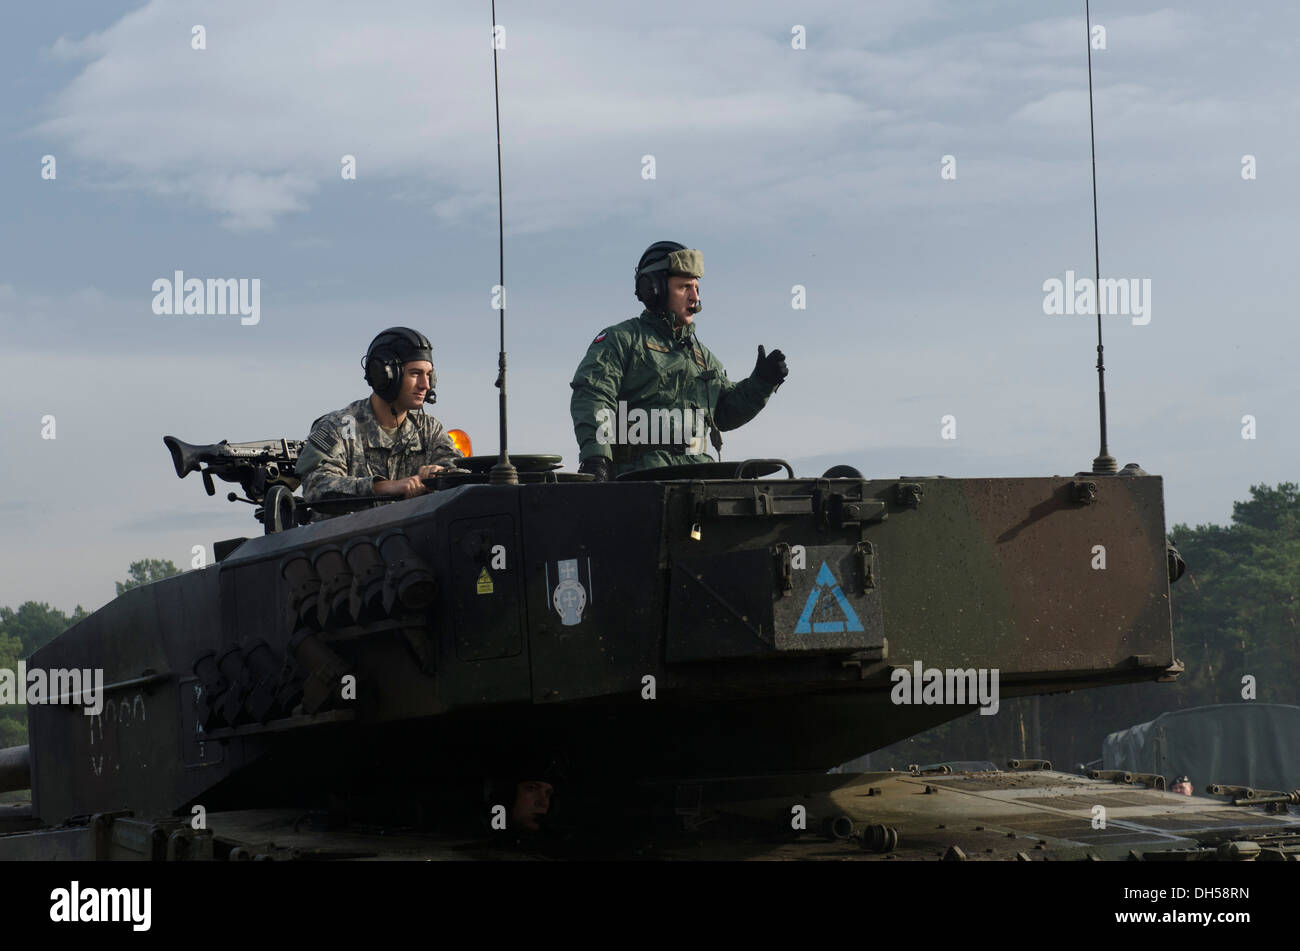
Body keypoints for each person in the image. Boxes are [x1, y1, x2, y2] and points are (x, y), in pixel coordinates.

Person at [570, 241, 788, 480]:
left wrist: (761, 384)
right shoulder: (622, 340)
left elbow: (723, 413)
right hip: (641, 480)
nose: (695, 297)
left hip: (699, 475)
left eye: (696, 287)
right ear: (654, 289)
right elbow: (593, 395)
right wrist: (597, 457)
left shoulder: (703, 357)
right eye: (684, 287)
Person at [296, 327, 463, 513]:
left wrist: (441, 473)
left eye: (429, 375)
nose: (425, 385)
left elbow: (462, 476)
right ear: (384, 375)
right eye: (415, 374)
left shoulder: (429, 429)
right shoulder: (337, 426)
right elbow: (316, 485)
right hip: (345, 539)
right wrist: (384, 487)